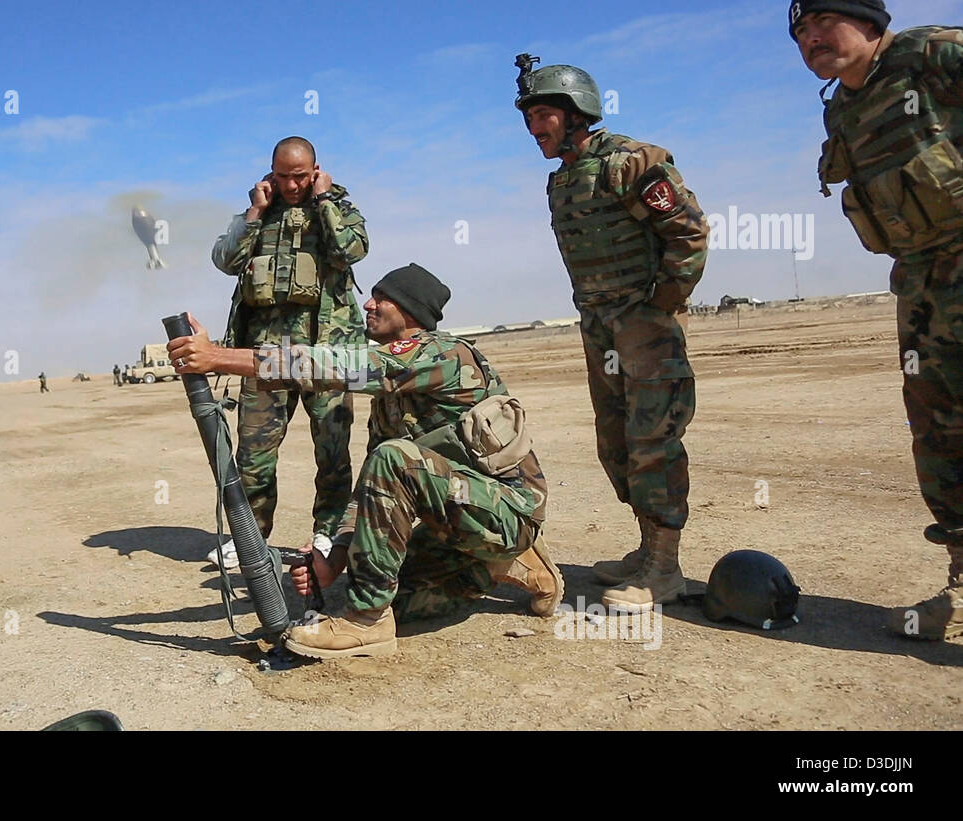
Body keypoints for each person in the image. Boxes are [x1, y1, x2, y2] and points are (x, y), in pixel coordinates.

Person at [169, 263, 562, 659]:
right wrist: (333, 555)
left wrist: (217, 357)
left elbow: (338, 367)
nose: (368, 304)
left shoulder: (443, 355)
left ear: (410, 311)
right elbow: (372, 490)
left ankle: (366, 622)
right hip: (463, 515)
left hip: (508, 513)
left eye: (381, 298)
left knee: (396, 461)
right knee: (400, 600)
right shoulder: (391, 396)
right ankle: (508, 566)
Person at [515, 55, 708, 612]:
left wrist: (660, 308)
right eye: (529, 117)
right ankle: (648, 549)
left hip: (644, 324)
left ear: (577, 113)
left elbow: (689, 234)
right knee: (616, 441)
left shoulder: (630, 163)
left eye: (545, 114)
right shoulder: (564, 180)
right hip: (599, 327)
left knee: (655, 440)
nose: (535, 129)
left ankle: (665, 568)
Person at [795, 0, 963, 639]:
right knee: (941, 431)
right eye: (800, 34)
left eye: (823, 23)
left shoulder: (935, 55)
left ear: (870, 21)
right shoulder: (842, 103)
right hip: (921, 283)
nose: (811, 39)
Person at [208, 136, 369, 569]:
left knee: (332, 451)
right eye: (283, 177)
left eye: (300, 177)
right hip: (266, 354)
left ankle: (328, 534)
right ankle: (250, 539)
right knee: (253, 454)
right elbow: (225, 259)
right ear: (271, 173)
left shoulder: (337, 207)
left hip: (327, 352)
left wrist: (324, 201)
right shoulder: (257, 213)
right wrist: (256, 212)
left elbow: (350, 250)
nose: (292, 185)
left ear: (315, 171)